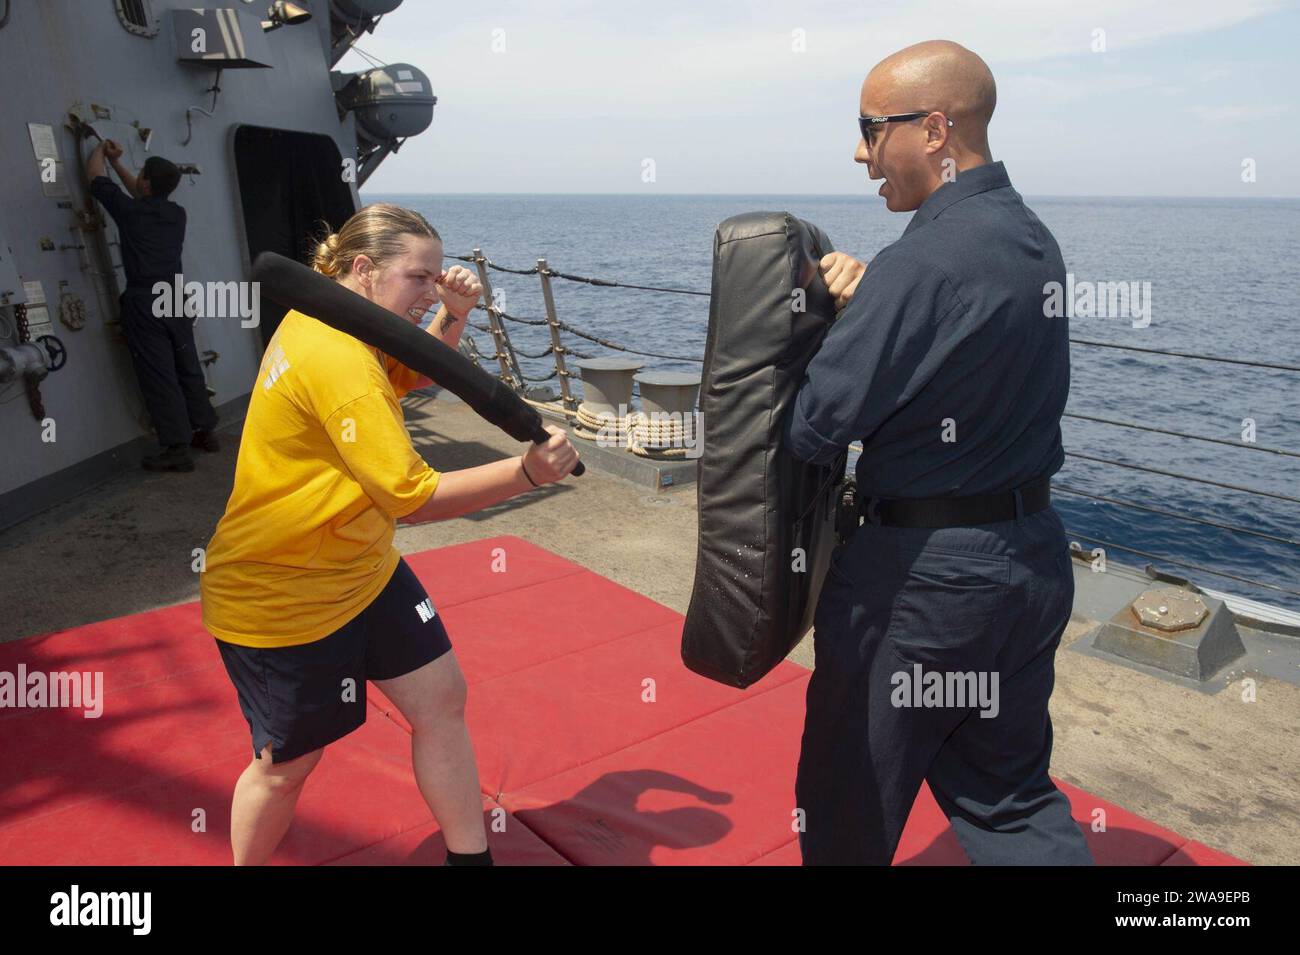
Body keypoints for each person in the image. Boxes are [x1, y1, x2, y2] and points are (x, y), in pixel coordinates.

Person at [784, 40, 1094, 865]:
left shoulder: (919, 260)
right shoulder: (1029, 237)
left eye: (869, 128)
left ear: (933, 129)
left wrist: (833, 323)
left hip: (923, 587)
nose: (860, 152)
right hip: (1026, 564)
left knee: (846, 804)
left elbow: (816, 425)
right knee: (1009, 797)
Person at [199, 203, 579, 866]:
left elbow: (414, 371)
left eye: (436, 276)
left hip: (362, 568)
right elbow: (414, 498)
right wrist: (526, 472)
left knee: (440, 698)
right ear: (364, 268)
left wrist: (451, 316)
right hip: (283, 593)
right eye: (418, 277)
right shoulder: (336, 357)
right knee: (288, 766)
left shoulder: (341, 315)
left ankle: (471, 859)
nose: (430, 289)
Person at [88, 140, 219, 472]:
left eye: (142, 175)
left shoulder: (130, 212)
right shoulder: (177, 214)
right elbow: (141, 190)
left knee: (159, 374)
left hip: (145, 300)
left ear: (145, 183)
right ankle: (204, 430)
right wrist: (121, 164)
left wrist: (101, 153)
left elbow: (95, 180)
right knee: (187, 364)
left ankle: (176, 448)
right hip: (175, 297)